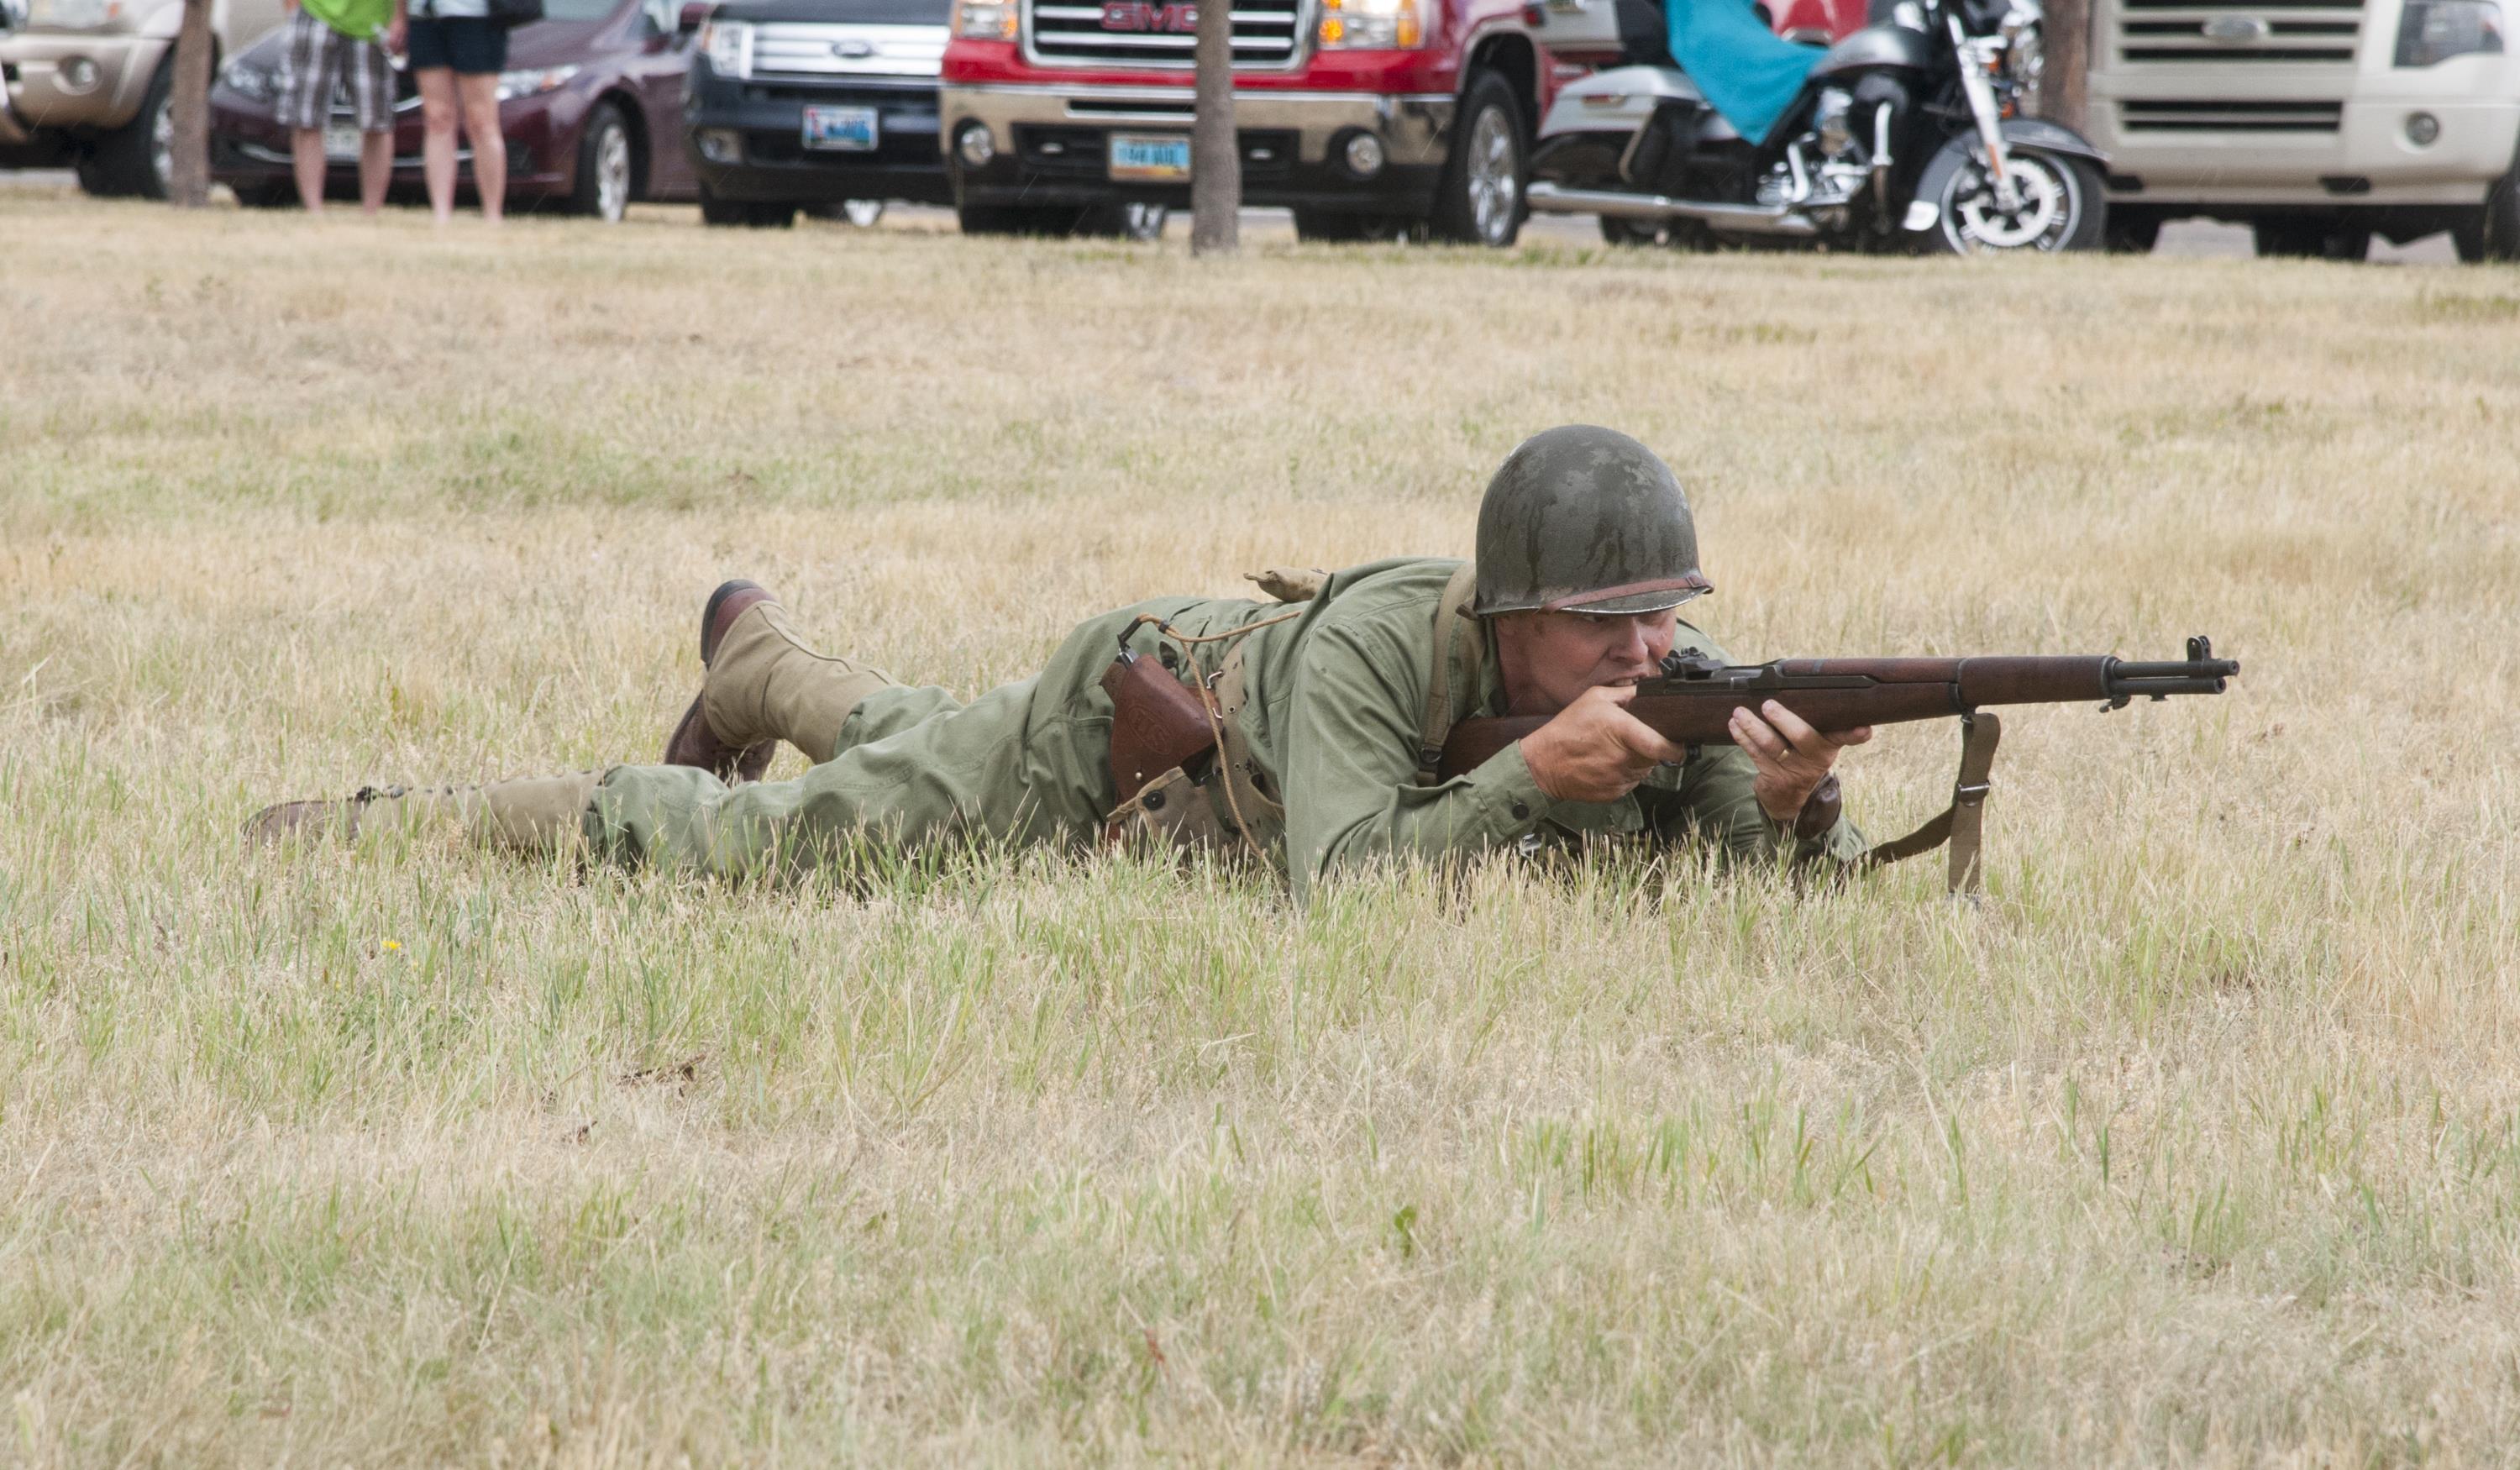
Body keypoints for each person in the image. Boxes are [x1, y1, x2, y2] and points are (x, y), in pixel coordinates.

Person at [246, 427, 1873, 897]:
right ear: (1514, 609)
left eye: (1664, 612)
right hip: (1122, 723)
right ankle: (405, 818)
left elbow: (1732, 883)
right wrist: (1528, 773)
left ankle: (760, 662)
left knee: (912, 736)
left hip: (1182, 773)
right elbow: (1354, 884)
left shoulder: (1678, 672)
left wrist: (1798, 812)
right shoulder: (1387, 643)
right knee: (804, 842)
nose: (1647, 650)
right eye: (1609, 621)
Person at [275, 0, 407, 214]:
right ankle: (313, 210)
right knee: (307, 118)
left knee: (378, 122)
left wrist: (399, 16)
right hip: (316, 13)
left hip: (373, 23)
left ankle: (371, 212)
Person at [406, 0, 509, 223]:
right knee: (437, 118)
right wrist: (399, 17)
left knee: (482, 121)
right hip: (424, 16)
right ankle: (441, 215)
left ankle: (493, 215)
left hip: (476, 17)